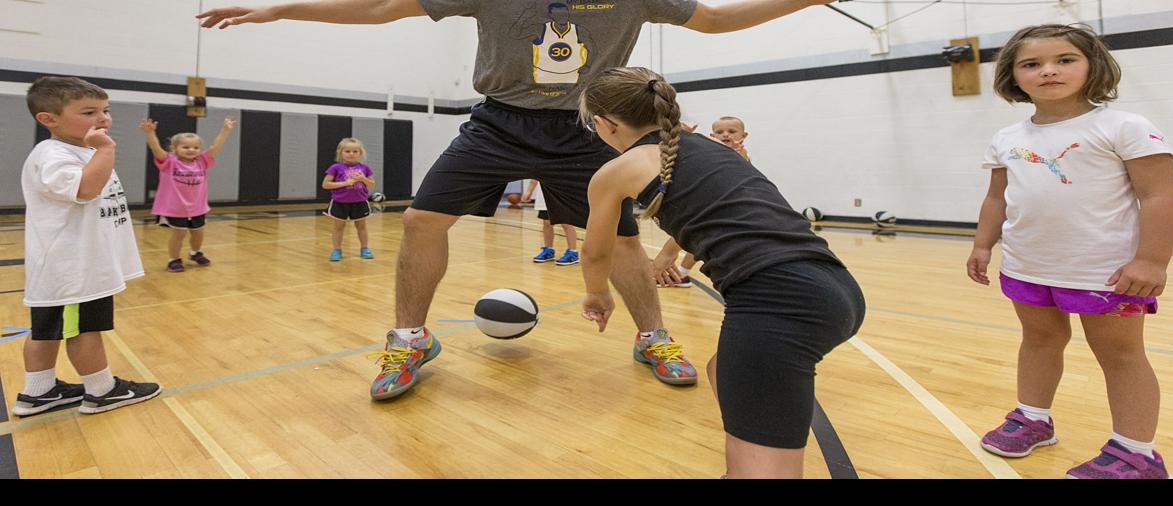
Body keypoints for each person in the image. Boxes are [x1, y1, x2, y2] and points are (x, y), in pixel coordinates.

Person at [197, 0, 836, 402]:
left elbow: (719, 19)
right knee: (421, 217)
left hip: (589, 126)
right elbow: (381, 8)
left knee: (621, 239)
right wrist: (281, 11)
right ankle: (409, 338)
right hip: (499, 122)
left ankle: (653, 337)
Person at [580, 67, 864, 478]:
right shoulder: (712, 148)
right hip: (838, 287)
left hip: (780, 302)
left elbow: (595, 252)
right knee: (722, 369)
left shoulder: (616, 172)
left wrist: (597, 294)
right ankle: (755, 449)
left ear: (606, 125)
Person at [965, 24, 1173, 479]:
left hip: (1105, 273)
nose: (1048, 70)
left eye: (1064, 60)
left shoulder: (1124, 126)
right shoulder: (1007, 137)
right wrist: (983, 244)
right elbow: (996, 199)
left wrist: (1151, 260)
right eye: (1032, 64)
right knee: (1039, 339)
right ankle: (1034, 418)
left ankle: (1137, 453)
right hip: (1028, 265)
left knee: (1121, 355)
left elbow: (1159, 196)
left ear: (1092, 65)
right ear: (1013, 76)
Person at [12, 76, 161, 418]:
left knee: (47, 329)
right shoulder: (53, 154)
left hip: (74, 264)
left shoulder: (79, 149)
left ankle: (39, 392)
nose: (103, 119)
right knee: (84, 328)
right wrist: (106, 149)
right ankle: (102, 390)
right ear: (48, 119)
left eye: (105, 111)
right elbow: (85, 190)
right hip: (73, 268)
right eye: (89, 112)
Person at [659, 115, 751, 288]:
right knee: (694, 239)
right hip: (707, 208)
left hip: (733, 211)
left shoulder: (741, 154)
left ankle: (679, 271)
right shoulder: (708, 151)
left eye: (732, 131)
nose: (725, 135)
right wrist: (683, 137)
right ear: (712, 136)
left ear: (744, 136)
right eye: (719, 132)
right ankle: (675, 271)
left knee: (701, 241)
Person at [140, 116, 235, 272]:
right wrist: (150, 133)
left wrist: (225, 130)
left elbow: (216, 146)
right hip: (176, 208)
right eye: (186, 147)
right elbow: (156, 149)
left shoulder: (202, 161)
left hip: (197, 207)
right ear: (175, 148)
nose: (191, 150)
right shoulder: (169, 162)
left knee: (198, 233)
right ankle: (174, 259)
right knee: (179, 234)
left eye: (196, 148)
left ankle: (195, 253)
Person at [322, 137, 376, 261]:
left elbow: (371, 184)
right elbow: (325, 184)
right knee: (338, 227)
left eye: (355, 151)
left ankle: (365, 248)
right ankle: (336, 250)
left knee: (361, 226)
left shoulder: (365, 168)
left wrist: (363, 179)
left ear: (360, 153)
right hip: (340, 202)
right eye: (347, 151)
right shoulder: (335, 168)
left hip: (360, 202)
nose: (351, 154)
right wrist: (345, 183)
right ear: (340, 153)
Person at [521, 178, 580, 264]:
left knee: (566, 223)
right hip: (544, 193)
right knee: (547, 223)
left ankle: (573, 252)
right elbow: (535, 175)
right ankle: (548, 250)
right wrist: (529, 191)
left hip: (562, 192)